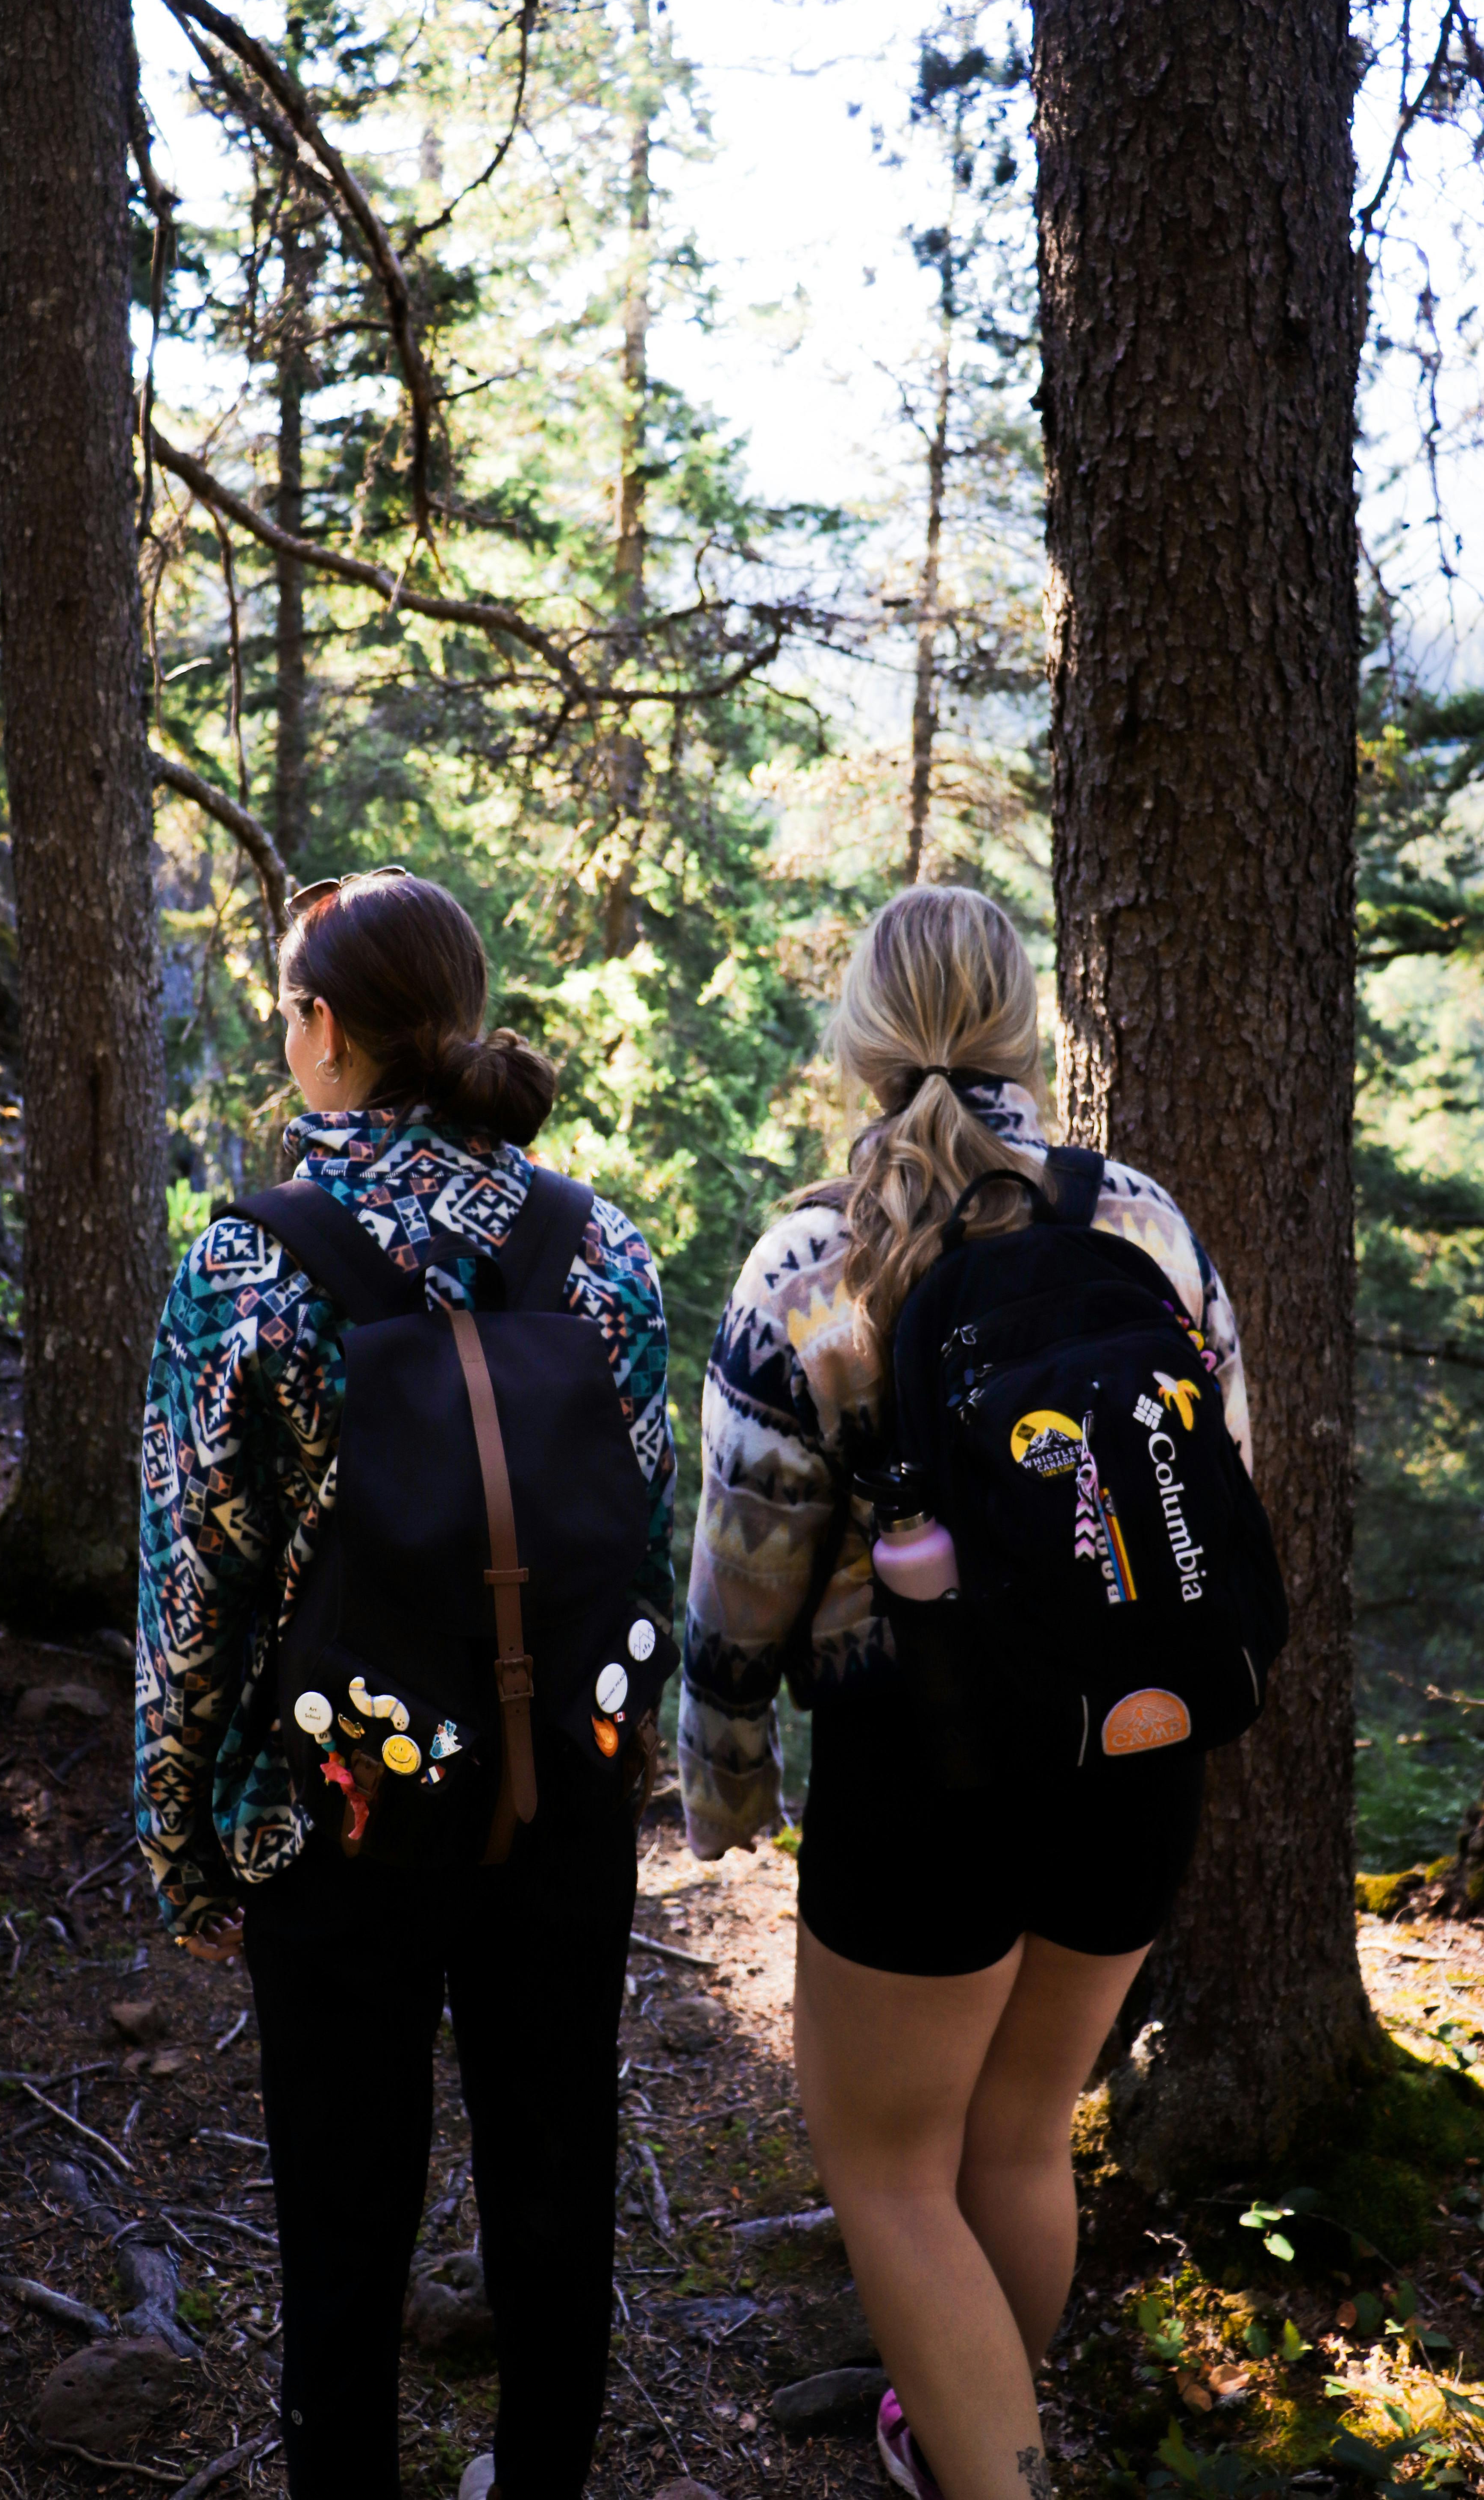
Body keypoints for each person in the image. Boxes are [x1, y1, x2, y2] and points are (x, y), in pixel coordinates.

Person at [679, 886, 1249, 2500]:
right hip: (1135, 1749)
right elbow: (1223, 1488)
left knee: (889, 2171)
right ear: (1025, 1025)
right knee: (1016, 2139)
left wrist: (723, 1787)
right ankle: (956, 2437)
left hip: (923, 1770)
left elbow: (745, 1575)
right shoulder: (1143, 1219)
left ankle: (985, 2469)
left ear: (862, 1032)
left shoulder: (811, 1255)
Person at [133, 869, 676, 2500]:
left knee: (346, 2221)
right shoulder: (604, 1249)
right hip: (561, 1796)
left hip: (341, 1809)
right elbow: (637, 1523)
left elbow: (192, 1594)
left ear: (323, 1030)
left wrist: (189, 1845)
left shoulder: (253, 1265)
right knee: (558, 2180)